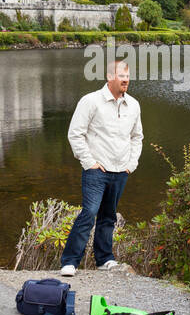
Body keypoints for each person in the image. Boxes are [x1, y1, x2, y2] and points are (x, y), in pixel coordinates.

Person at [59, 59, 143, 277]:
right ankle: (70, 261)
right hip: (96, 169)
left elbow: (137, 137)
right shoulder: (90, 101)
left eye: (127, 76)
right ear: (109, 77)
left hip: (121, 170)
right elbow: (75, 134)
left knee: (108, 216)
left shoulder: (133, 105)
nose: (126, 80)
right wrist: (89, 162)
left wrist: (131, 164)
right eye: (121, 76)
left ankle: (104, 259)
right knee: (89, 212)